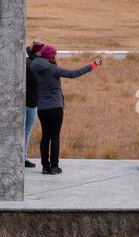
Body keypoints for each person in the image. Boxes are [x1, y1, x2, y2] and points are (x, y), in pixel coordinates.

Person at [28, 44, 103, 175]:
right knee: (55, 137)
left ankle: (45, 167)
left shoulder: (34, 65)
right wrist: (93, 65)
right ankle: (54, 166)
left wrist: (31, 51)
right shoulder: (52, 69)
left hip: (42, 107)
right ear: (50, 56)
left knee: (45, 136)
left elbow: (32, 54)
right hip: (55, 107)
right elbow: (73, 73)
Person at [23, 41, 44, 167]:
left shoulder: (26, 62)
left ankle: (22, 156)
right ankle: (23, 157)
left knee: (24, 131)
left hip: (26, 101)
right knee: (26, 132)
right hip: (31, 103)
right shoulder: (35, 65)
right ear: (38, 52)